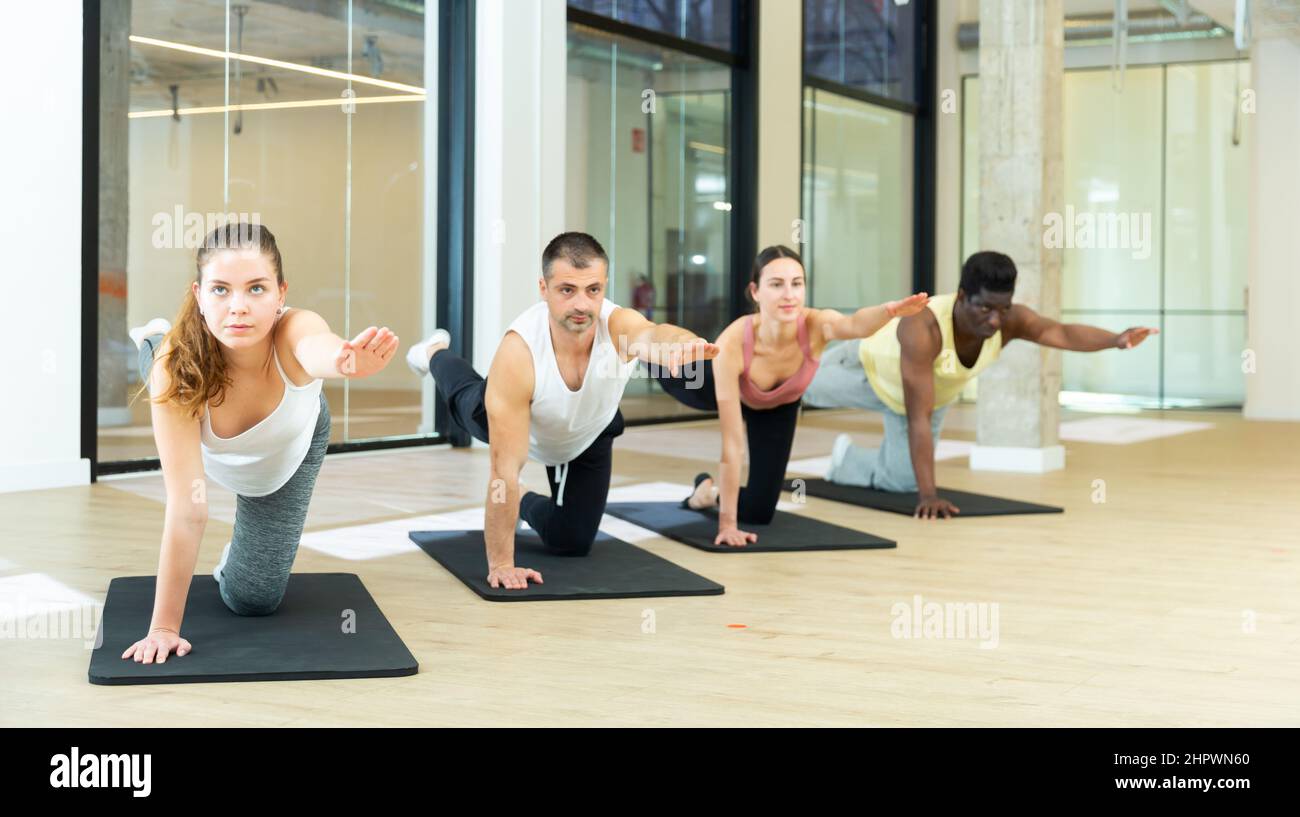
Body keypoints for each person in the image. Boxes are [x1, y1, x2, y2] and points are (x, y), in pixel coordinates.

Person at [121, 222, 400, 664]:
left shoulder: (295, 330)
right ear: (198, 295)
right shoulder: (178, 369)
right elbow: (188, 509)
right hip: (192, 396)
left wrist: (345, 361)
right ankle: (153, 340)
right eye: (220, 290)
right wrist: (163, 628)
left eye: (256, 289)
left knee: (254, 600)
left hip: (290, 444)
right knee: (161, 366)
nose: (238, 307)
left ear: (281, 293)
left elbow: (317, 347)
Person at [405, 232, 718, 590]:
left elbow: (651, 335)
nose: (582, 305)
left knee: (571, 543)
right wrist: (503, 563)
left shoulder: (618, 328)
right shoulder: (519, 352)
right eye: (567, 290)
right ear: (544, 287)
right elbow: (503, 471)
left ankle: (527, 499)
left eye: (594, 290)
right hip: (520, 421)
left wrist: (679, 344)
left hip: (587, 433)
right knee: (464, 395)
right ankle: (433, 353)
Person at [803, 250, 1158, 519]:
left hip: (922, 400)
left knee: (901, 483)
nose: (994, 319)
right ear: (961, 297)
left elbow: (1059, 332)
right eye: (985, 308)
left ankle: (845, 458)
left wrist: (1117, 339)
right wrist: (930, 496)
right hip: (865, 370)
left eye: (1003, 309)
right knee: (791, 385)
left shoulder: (1009, 321)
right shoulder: (923, 327)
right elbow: (918, 420)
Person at [655, 245, 929, 546]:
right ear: (755, 291)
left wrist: (889, 312)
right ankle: (644, 346)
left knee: (760, 511)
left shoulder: (816, 325)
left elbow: (854, 325)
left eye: (797, 283)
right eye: (776, 284)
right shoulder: (734, 340)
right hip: (706, 382)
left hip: (775, 407)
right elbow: (732, 445)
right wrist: (727, 524)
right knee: (670, 366)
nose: (789, 294)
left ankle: (706, 492)